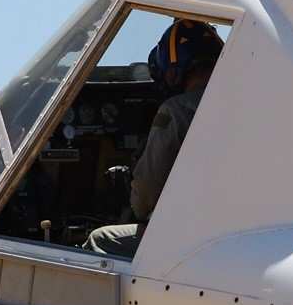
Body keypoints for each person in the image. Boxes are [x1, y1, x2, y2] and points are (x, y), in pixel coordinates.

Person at [86, 20, 224, 261]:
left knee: (101, 240)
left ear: (174, 71)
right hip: (229, 229)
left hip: (192, 236)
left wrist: (131, 189)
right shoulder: (250, 105)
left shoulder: (176, 111)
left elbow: (144, 200)